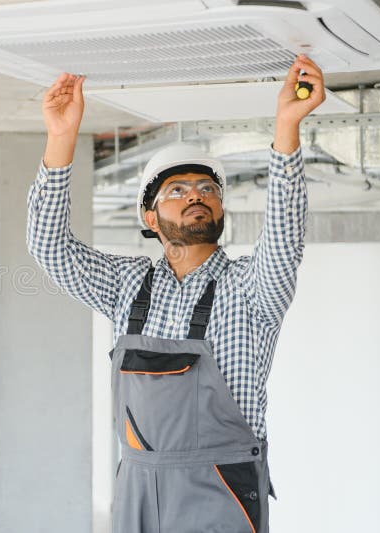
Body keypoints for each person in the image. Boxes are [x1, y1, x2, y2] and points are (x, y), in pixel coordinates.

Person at [27, 55, 325, 533]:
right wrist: (61, 139)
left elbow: (285, 238)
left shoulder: (251, 289)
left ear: (221, 208)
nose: (196, 195)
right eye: (178, 189)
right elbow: (50, 247)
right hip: (138, 487)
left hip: (221, 487)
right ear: (150, 217)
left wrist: (287, 128)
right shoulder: (127, 287)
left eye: (208, 188)